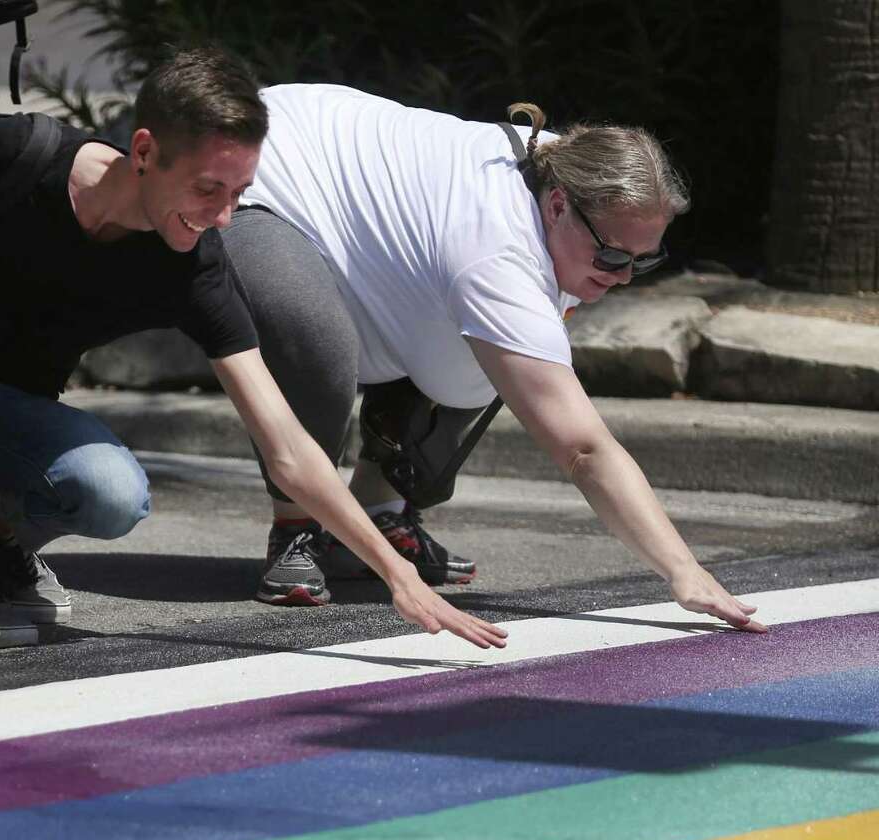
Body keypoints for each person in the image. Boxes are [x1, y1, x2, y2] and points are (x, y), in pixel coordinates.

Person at [0, 47, 506, 652]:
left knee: (113, 492)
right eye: (207, 188)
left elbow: (285, 443)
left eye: (240, 190)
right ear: (146, 150)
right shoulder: (16, 151)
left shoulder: (193, 263)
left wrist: (395, 574)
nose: (223, 213)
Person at [220, 83, 762, 631]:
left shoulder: (569, 171)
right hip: (262, 174)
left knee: (498, 360)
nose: (623, 276)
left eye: (643, 262)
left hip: (361, 231)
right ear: (557, 207)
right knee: (314, 335)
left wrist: (607, 255)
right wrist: (682, 571)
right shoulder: (495, 250)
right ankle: (298, 527)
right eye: (612, 255)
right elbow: (582, 449)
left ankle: (378, 512)